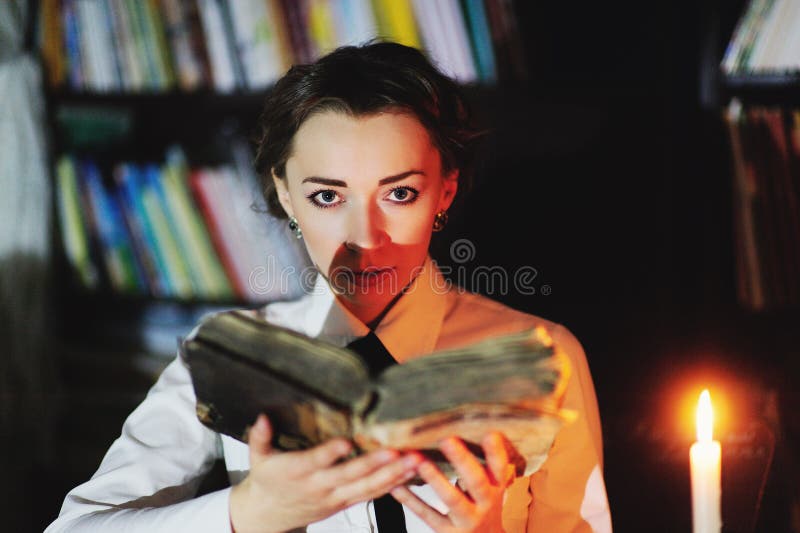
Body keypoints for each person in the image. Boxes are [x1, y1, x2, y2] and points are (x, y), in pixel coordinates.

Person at [46, 41, 611, 533]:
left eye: (400, 194)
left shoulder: (543, 355)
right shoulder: (228, 356)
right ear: (286, 196)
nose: (365, 238)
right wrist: (248, 511)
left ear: (444, 191)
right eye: (327, 197)